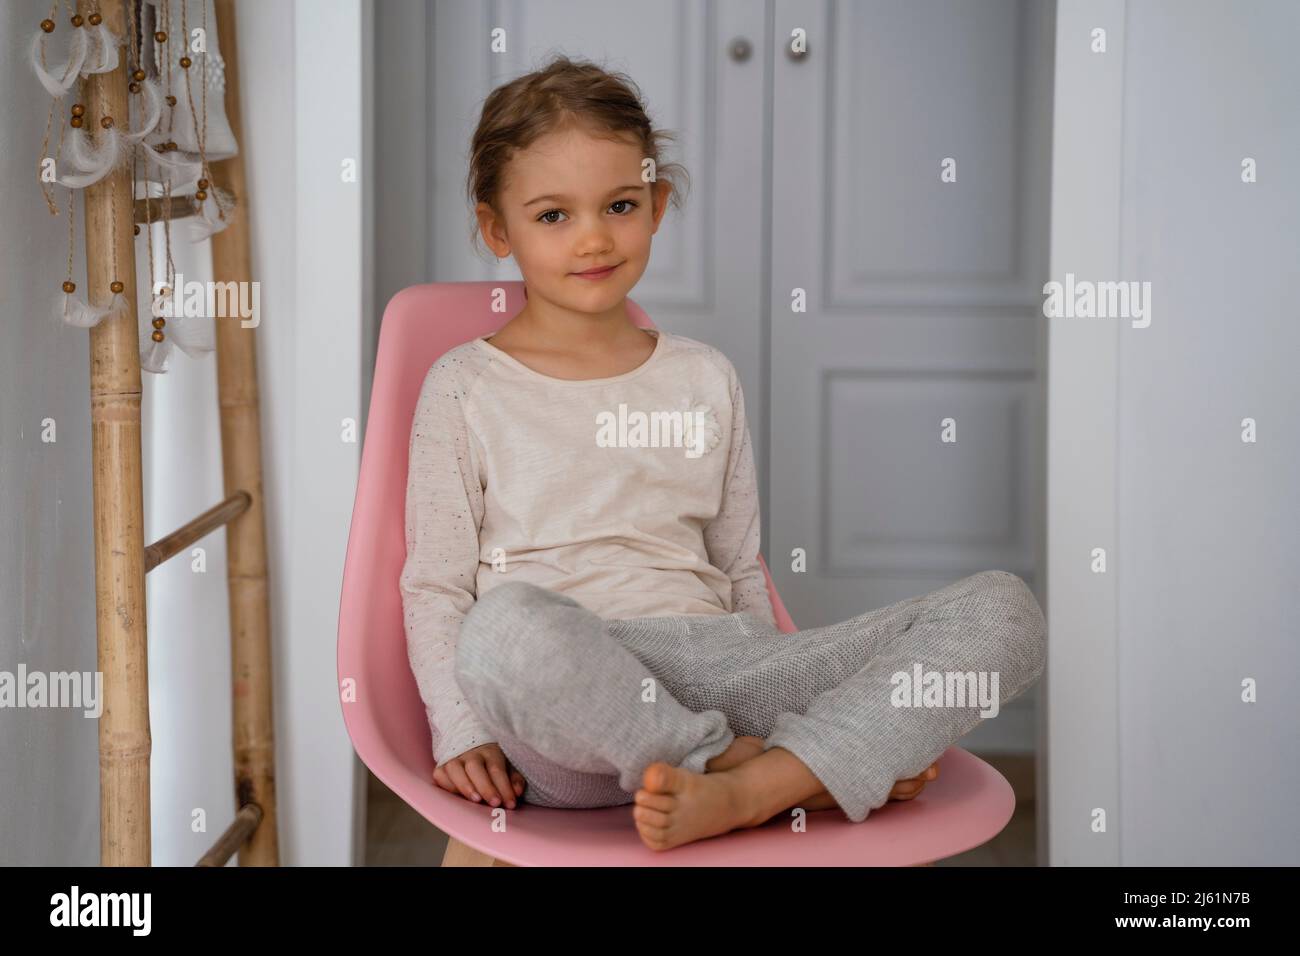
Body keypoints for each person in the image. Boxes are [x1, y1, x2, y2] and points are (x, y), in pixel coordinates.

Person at [400, 55, 1046, 852]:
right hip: (573, 709)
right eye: (552, 216)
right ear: (497, 228)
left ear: (658, 204)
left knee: (1002, 609)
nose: (594, 237)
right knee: (502, 630)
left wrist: (795, 701)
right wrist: (459, 728)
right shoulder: (464, 385)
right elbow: (434, 585)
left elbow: (739, 568)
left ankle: (760, 780)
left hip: (721, 667)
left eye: (621, 204)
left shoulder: (703, 374)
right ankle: (763, 770)